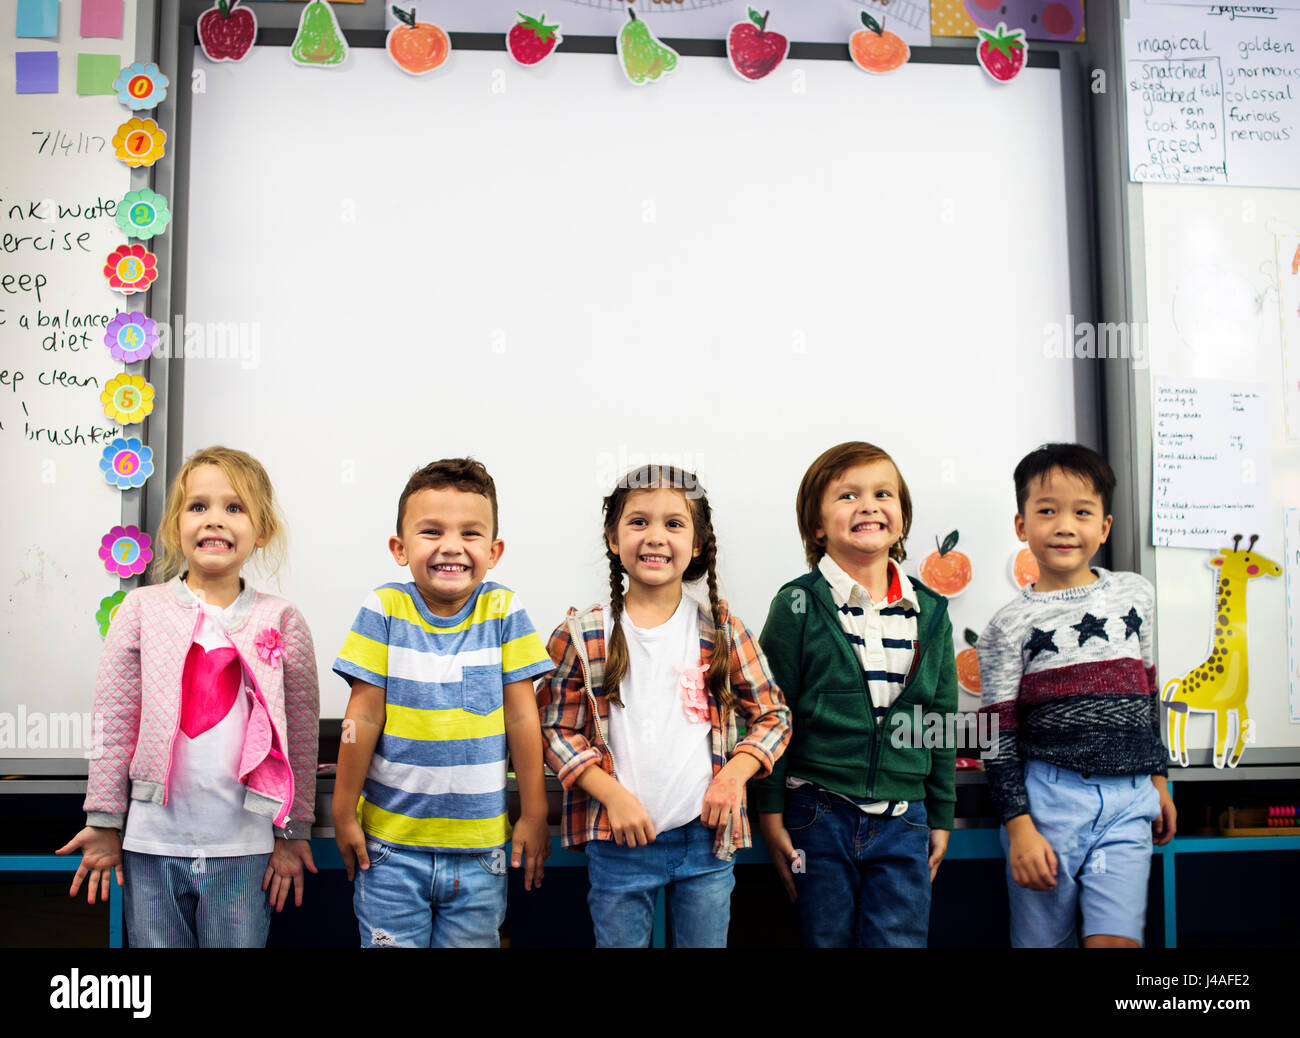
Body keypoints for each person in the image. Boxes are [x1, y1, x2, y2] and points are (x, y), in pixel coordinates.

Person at [61, 446, 320, 947]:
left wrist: (293, 834)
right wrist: (103, 821)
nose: (214, 520)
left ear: (261, 530)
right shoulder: (141, 609)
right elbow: (116, 721)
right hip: (150, 844)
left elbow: (302, 736)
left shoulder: (281, 618)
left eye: (234, 507)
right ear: (176, 525)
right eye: (198, 507)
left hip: (245, 847)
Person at [537, 465, 789, 948]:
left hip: (707, 840)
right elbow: (553, 729)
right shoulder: (581, 633)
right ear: (613, 538)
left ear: (697, 544)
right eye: (638, 522)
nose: (655, 537)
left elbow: (774, 716)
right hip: (618, 841)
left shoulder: (723, 631)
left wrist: (734, 776)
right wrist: (612, 795)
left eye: (674, 524)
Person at [332, 458, 555, 948]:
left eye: (470, 534)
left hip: (480, 852)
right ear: (400, 548)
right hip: (390, 850)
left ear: (494, 551)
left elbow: (522, 717)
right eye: (431, 531)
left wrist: (534, 814)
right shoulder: (385, 607)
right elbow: (362, 717)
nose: (451, 546)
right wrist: (343, 811)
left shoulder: (504, 609)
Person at [754, 441, 957, 947]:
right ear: (817, 525)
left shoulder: (930, 610)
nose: (868, 504)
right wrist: (771, 812)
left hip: (904, 817)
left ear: (902, 518)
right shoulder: (797, 604)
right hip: (816, 813)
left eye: (883, 493)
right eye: (848, 495)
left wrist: (941, 813)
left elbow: (942, 717)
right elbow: (769, 713)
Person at [977, 442, 1176, 948]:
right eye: (1047, 511)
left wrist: (1159, 777)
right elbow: (996, 736)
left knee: (1115, 942)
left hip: (1130, 800)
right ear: (1021, 526)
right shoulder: (1006, 626)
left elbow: (1147, 692)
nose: (1065, 525)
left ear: (1104, 527)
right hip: (1049, 804)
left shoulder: (1136, 594)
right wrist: (1019, 826)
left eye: (1082, 512)